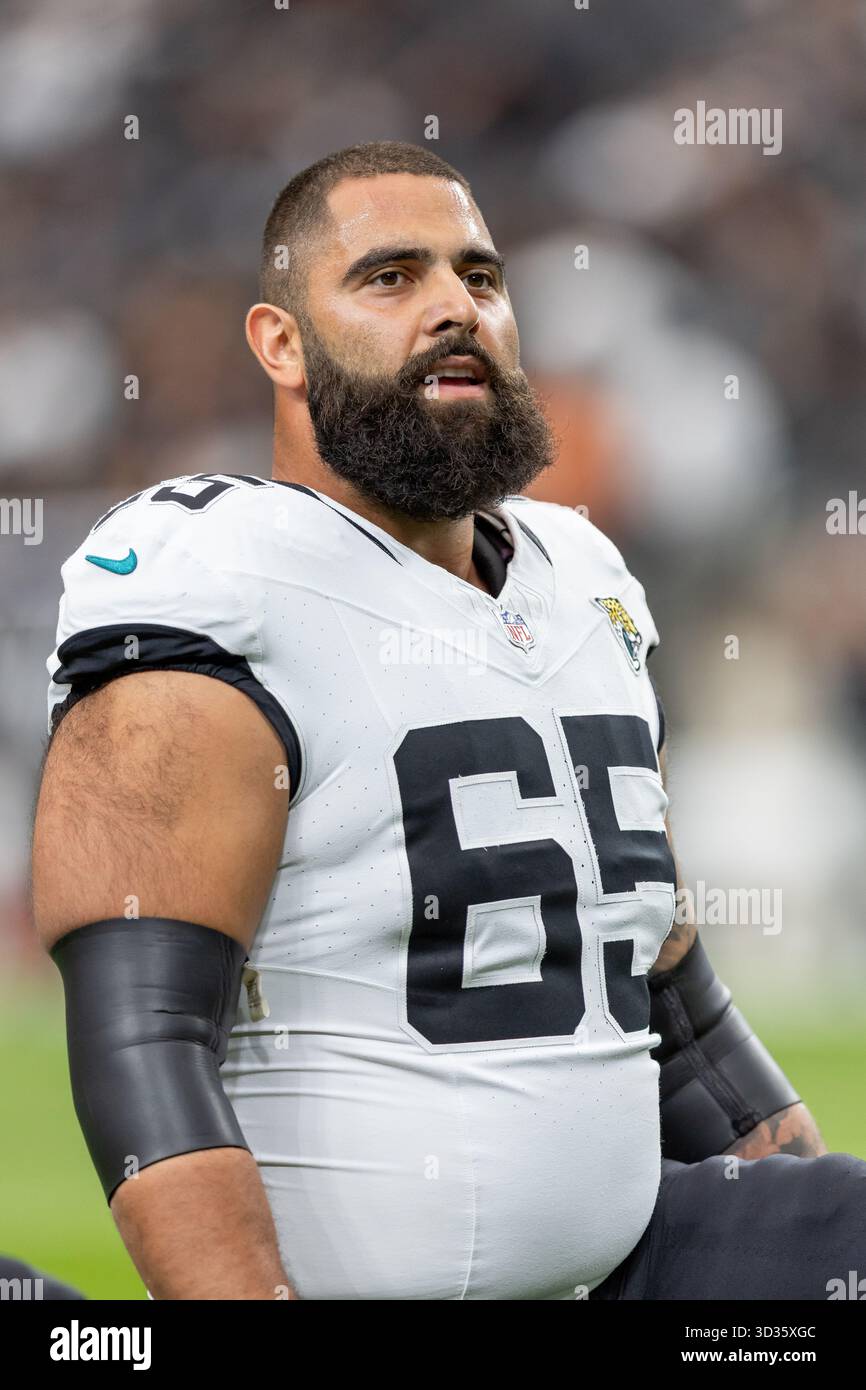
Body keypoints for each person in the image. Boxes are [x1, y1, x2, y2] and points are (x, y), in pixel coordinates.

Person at [32, 141, 864, 1300]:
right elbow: (142, 1052)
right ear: (279, 341)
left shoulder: (582, 584)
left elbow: (678, 1015)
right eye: (388, 277)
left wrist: (814, 1244)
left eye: (478, 276)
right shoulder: (219, 584)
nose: (451, 307)